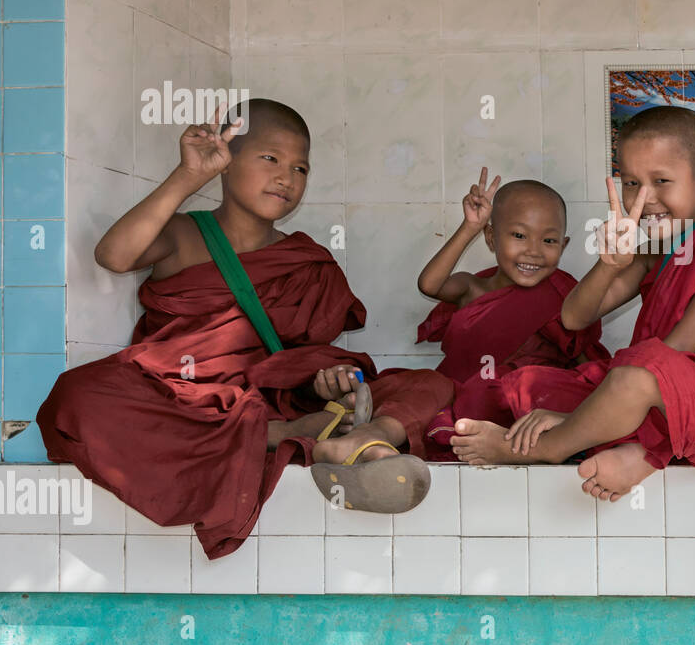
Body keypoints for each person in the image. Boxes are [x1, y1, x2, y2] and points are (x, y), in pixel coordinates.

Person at [36, 100, 418, 558]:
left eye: (300, 168)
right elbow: (113, 256)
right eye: (271, 158)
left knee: (425, 383)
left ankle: (319, 429)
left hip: (268, 397)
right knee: (79, 395)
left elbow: (302, 354)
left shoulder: (307, 259)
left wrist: (329, 381)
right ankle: (289, 435)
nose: (287, 178)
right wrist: (187, 176)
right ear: (227, 160)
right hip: (184, 400)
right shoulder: (183, 235)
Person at [446, 106, 695, 503]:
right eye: (632, 183)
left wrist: (574, 421)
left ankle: (555, 447)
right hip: (682, 395)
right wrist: (608, 264)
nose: (646, 199)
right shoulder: (655, 252)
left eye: (661, 181)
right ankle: (627, 445)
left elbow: (674, 354)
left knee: (635, 373)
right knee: (532, 383)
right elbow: (573, 318)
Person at [311, 170, 610, 506]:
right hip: (452, 399)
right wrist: (468, 226)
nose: (534, 251)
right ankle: (364, 439)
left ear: (565, 245)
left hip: (511, 412)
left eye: (549, 240)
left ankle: (361, 432)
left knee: (540, 387)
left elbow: (587, 363)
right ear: (491, 238)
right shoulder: (472, 287)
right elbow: (430, 285)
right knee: (427, 384)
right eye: (519, 235)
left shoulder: (567, 296)